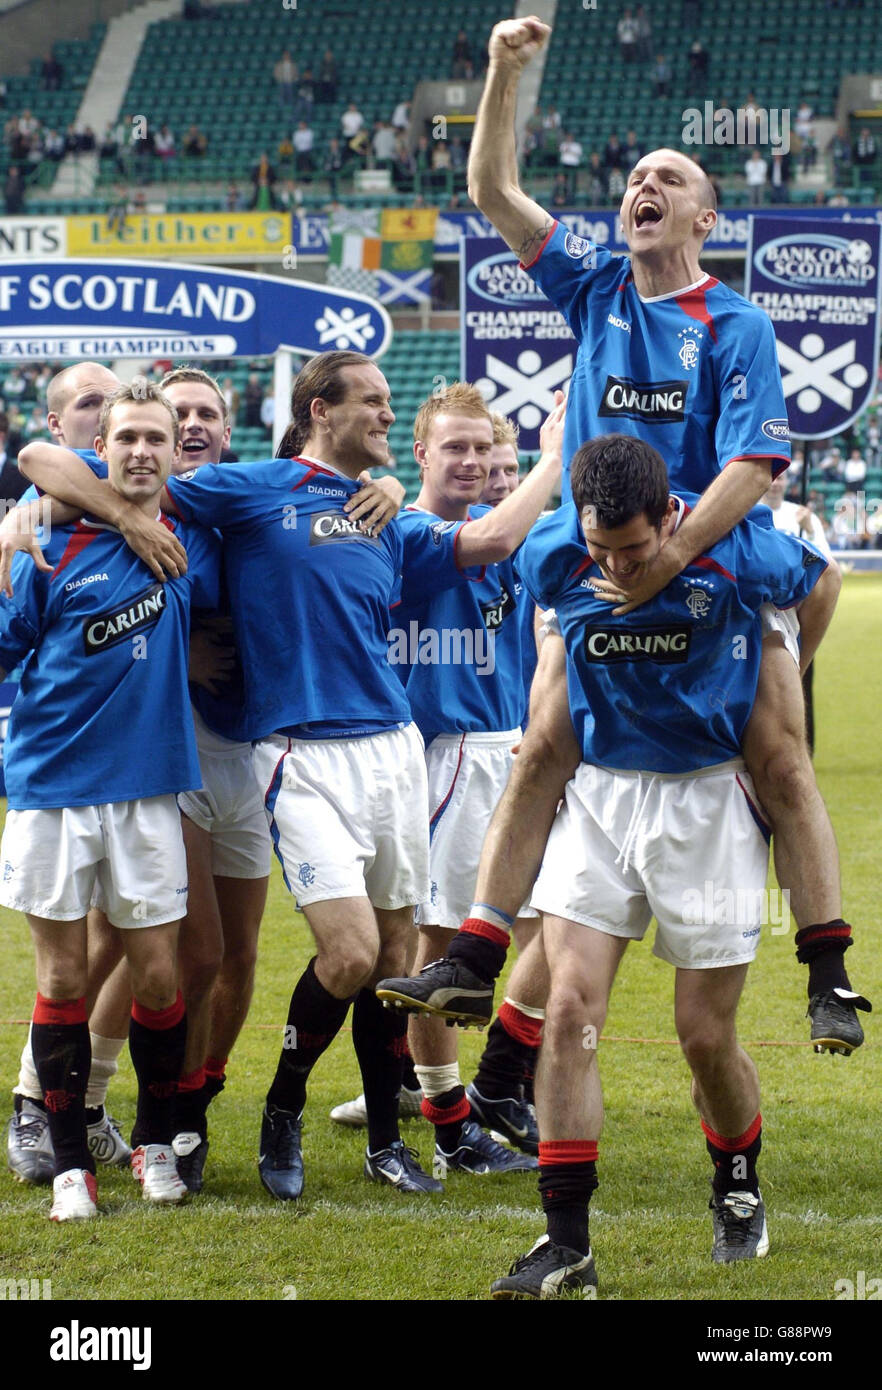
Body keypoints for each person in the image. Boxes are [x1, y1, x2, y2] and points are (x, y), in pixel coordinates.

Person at [380, 14, 870, 1057]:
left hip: (702, 547)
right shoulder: (595, 283)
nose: (644, 184)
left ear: (704, 215)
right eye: (636, 176)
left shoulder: (734, 323)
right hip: (590, 549)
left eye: (669, 177)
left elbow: (753, 466)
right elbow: (492, 191)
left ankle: (828, 969)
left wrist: (673, 560)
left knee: (782, 757)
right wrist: (504, 71)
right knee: (541, 750)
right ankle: (473, 957)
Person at [25, 351, 562, 1202]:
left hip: (391, 745)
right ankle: (242, 1108)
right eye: (372, 400)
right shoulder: (249, 490)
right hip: (280, 752)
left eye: (389, 402)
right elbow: (62, 467)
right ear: (319, 409)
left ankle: (385, 1138)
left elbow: (490, 538)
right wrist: (68, 517)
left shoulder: (385, 515)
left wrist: (548, 457)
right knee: (304, 952)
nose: (388, 413)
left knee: (384, 955)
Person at [489, 433, 841, 1297]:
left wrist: (783, 660)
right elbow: (546, 609)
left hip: (710, 799)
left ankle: (738, 1183)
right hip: (603, 795)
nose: (615, 567)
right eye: (600, 549)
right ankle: (566, 1241)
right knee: (568, 1008)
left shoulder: (742, 548)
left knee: (704, 1036)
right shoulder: (557, 548)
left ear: (672, 520)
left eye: (634, 550)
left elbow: (823, 580)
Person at [0, 383, 220, 1219]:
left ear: (173, 451)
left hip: (147, 789)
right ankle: (69, 1169)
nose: (141, 451)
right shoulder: (47, 535)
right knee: (61, 977)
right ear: (102, 447)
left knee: (158, 980)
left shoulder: (194, 535)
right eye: (125, 436)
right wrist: (8, 545)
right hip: (53, 787)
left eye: (155, 438)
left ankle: (154, 1144)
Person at [762, 470, 832, 757]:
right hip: (764, 618)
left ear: (787, 482)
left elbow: (826, 566)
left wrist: (810, 530)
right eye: (773, 478)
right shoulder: (750, 513)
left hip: (799, 621)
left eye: (781, 478)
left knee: (802, 689)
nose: (776, 483)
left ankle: (804, 755)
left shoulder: (801, 515)